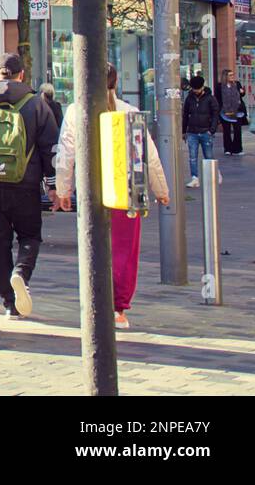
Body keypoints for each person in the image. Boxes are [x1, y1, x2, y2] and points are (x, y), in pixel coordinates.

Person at [54, 64, 169, 330]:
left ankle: (93, 300)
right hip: (125, 189)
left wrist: (63, 190)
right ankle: (118, 308)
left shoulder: (74, 111)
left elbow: (65, 154)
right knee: (124, 250)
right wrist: (161, 190)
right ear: (115, 83)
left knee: (94, 246)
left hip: (90, 190)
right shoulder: (129, 112)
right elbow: (148, 156)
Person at [0, 53, 60, 320]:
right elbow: (50, 149)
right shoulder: (37, 105)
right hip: (24, 184)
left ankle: (9, 304)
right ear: (21, 75)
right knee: (29, 237)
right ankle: (21, 273)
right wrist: (52, 186)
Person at [182, 75, 219, 188]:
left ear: (202, 87)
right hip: (192, 131)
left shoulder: (210, 98)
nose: (195, 91)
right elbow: (185, 115)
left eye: (197, 88)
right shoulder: (189, 98)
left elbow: (215, 114)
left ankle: (213, 175)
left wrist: (211, 130)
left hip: (205, 131)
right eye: (194, 88)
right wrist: (184, 131)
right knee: (192, 156)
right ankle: (194, 178)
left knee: (208, 155)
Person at [216, 70, 246, 155]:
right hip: (225, 111)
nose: (232, 76)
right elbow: (217, 98)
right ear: (225, 76)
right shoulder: (220, 86)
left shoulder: (237, 84)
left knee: (237, 130)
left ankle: (237, 149)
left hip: (237, 110)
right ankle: (228, 149)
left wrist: (242, 92)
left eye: (233, 75)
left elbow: (242, 95)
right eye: (230, 75)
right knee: (227, 131)